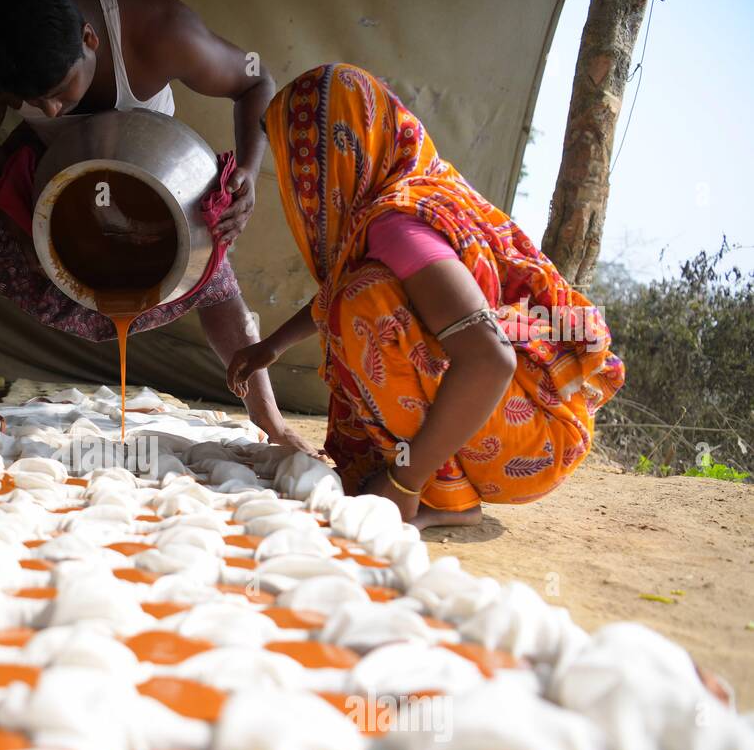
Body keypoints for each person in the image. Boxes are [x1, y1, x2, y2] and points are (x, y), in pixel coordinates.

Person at [0, 0, 313, 452]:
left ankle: (268, 418)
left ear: (90, 39)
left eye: (59, 91)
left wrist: (248, 172)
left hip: (153, 169)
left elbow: (255, 83)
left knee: (216, 282)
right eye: (29, 100)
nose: (49, 110)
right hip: (47, 167)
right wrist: (19, 221)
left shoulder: (162, 30)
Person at [227, 64, 626, 529]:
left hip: (531, 435)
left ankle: (435, 494)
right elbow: (339, 292)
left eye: (299, 162)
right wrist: (271, 346)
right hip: (532, 414)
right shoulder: (408, 198)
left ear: (332, 154)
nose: (299, 184)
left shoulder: (395, 223)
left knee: (364, 303)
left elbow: (491, 358)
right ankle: (427, 478)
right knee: (358, 296)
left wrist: (402, 484)